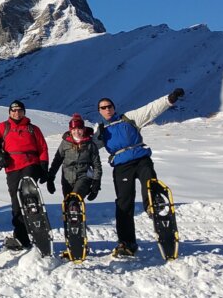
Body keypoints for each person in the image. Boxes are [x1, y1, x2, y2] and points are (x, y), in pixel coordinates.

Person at [95, 88, 185, 257]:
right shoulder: (100, 131)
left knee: (150, 182)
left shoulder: (129, 118)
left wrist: (169, 99)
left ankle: (153, 206)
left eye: (109, 106)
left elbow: (151, 109)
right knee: (124, 204)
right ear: (99, 111)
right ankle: (126, 243)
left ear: (114, 108)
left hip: (140, 158)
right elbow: (88, 146)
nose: (107, 109)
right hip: (121, 166)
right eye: (103, 107)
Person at [0, 100, 49, 251]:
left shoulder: (32, 129)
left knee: (30, 200)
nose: (16, 113)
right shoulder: (3, 127)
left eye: (19, 110)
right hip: (12, 168)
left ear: (24, 112)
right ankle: (21, 236)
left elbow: (43, 148)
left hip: (29, 164)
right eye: (13, 110)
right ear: (9, 112)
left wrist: (44, 167)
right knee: (16, 201)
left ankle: (39, 232)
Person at [45, 113, 102, 201]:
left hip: (83, 177)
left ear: (83, 129)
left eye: (79, 129)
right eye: (74, 129)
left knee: (75, 199)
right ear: (70, 130)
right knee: (67, 202)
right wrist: (51, 178)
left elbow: (96, 165)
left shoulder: (90, 145)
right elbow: (57, 161)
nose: (77, 132)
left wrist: (96, 182)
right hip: (67, 178)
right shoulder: (65, 143)